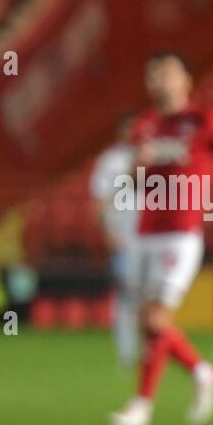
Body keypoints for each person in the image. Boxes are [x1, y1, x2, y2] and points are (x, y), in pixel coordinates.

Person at [109, 52, 213, 425]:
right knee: (149, 323)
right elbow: (131, 182)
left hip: (182, 232)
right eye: (153, 75)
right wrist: (139, 167)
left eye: (166, 73)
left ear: (186, 80)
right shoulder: (144, 125)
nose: (159, 81)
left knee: (155, 318)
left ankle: (143, 404)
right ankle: (202, 372)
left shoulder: (206, 121)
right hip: (147, 231)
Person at [89, 112, 138, 368]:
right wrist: (108, 233)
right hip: (123, 239)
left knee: (148, 298)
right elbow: (100, 201)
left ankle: (149, 350)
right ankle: (128, 353)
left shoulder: (149, 156)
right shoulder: (110, 161)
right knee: (127, 297)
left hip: (147, 239)